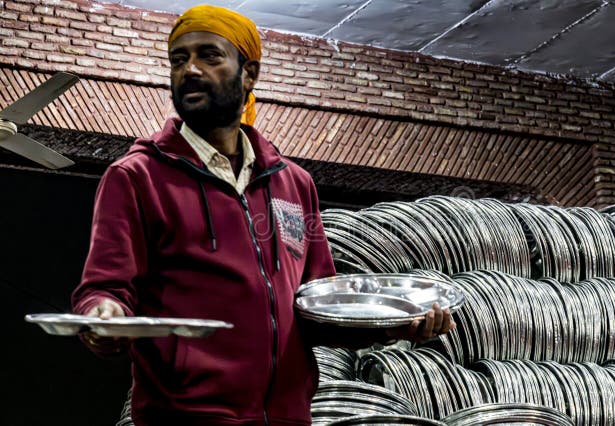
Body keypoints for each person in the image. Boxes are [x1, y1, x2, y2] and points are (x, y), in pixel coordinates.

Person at [71, 5, 454, 426]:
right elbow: (105, 288)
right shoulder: (136, 177)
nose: (190, 70)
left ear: (249, 74)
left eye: (209, 56)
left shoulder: (293, 184)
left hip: (289, 416)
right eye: (179, 60)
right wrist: (102, 316)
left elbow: (318, 310)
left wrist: (394, 326)